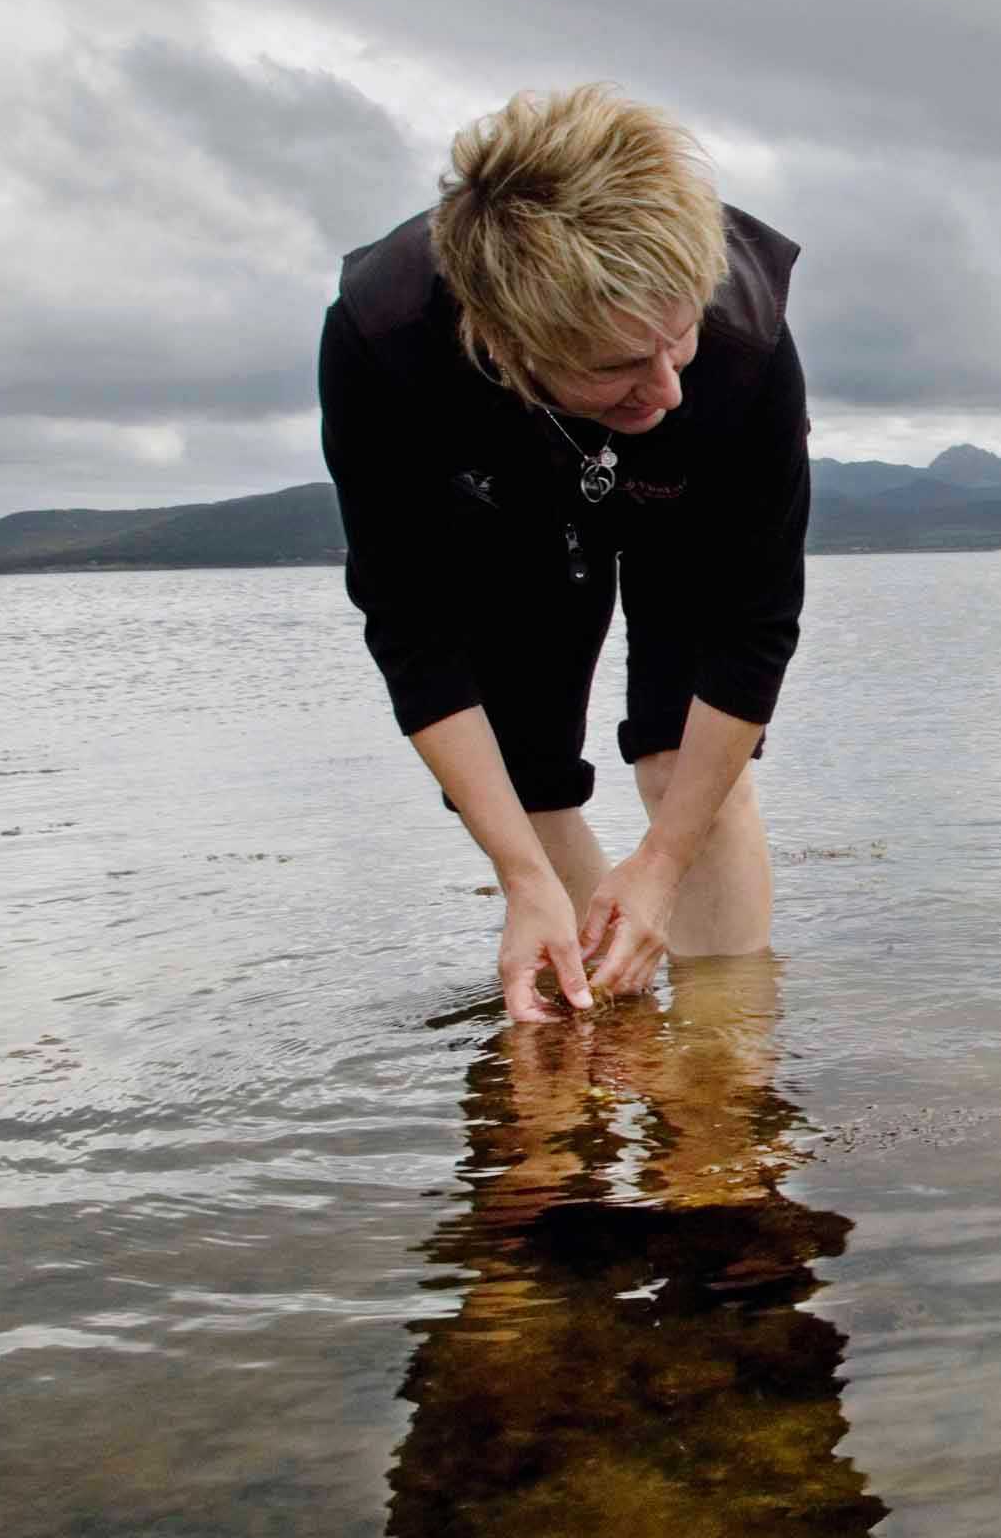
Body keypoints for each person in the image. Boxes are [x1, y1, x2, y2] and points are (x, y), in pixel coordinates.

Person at [320, 85, 812, 1018]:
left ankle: (719, 1081)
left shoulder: (742, 338)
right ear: (505, 343)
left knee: (682, 768)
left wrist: (660, 864)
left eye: (676, 341)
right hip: (500, 493)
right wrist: (519, 876)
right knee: (524, 776)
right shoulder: (382, 343)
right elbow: (413, 632)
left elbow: (754, 631)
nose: (665, 389)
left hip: (690, 492)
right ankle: (601, 1029)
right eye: (622, 365)